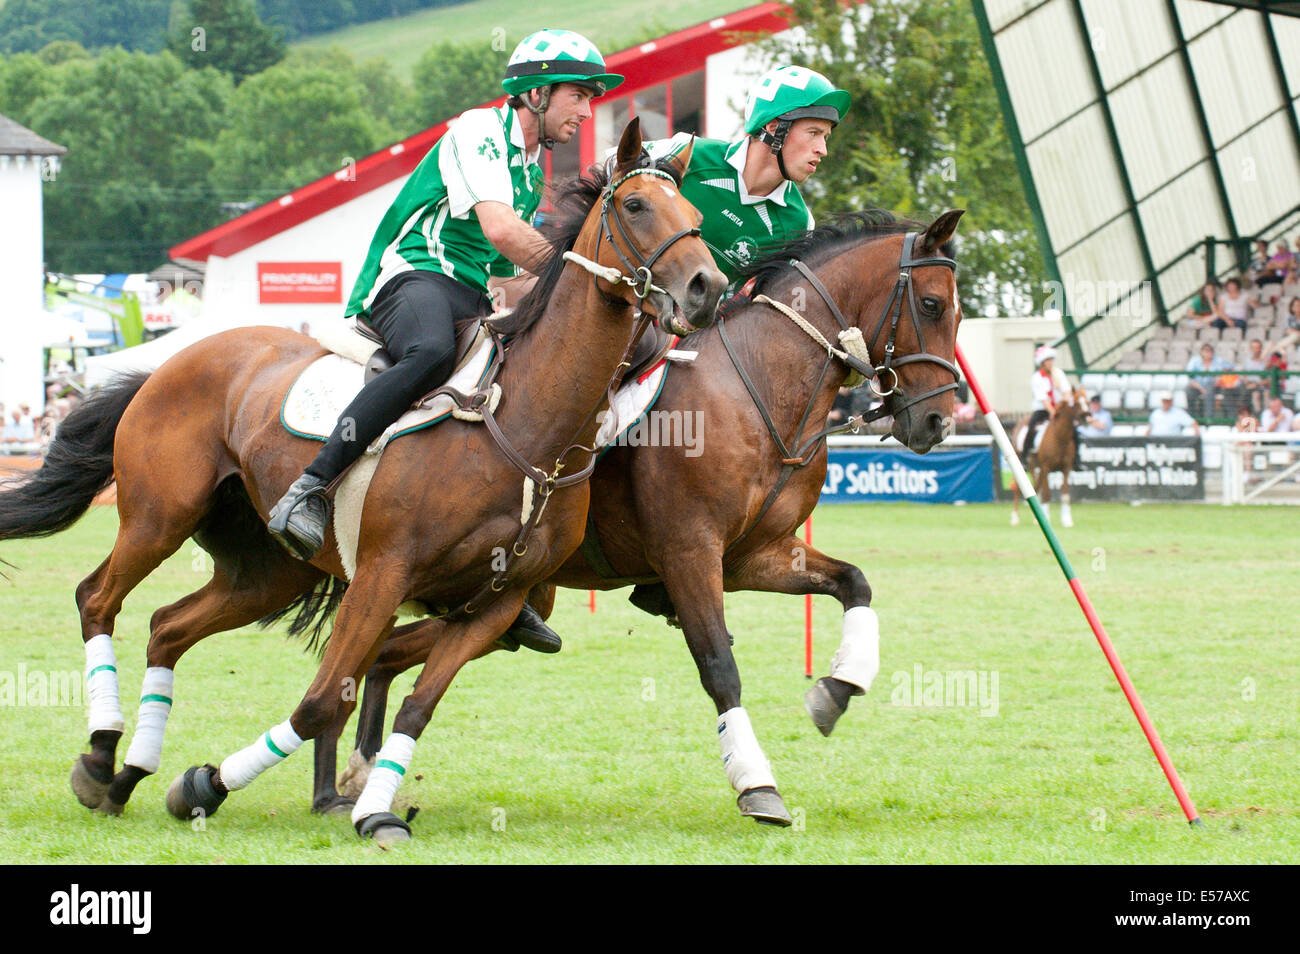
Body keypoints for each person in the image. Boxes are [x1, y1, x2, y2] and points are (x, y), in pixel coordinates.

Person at [267, 29, 625, 654]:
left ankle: (495, 575)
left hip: (470, 295)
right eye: (578, 95)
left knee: (524, 390)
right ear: (536, 94)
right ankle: (310, 488)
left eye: (592, 98)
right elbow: (503, 232)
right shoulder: (478, 130)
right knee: (430, 354)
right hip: (412, 278)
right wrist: (580, 272)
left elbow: (507, 267)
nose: (585, 110)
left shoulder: (530, 164)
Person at [627, 65, 851, 284]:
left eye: (825, 137)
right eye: (814, 133)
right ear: (774, 129)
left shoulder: (799, 224)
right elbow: (611, 178)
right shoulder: (690, 153)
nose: (823, 149)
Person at [1022, 344, 1073, 455]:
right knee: (1031, 426)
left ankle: (1076, 458)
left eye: (1051, 360)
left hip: (1059, 408)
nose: (1050, 362)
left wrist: (1062, 404)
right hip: (1043, 410)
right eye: (1047, 360)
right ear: (1042, 363)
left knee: (1073, 429)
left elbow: (1067, 391)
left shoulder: (1058, 373)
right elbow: (1043, 399)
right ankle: (1025, 455)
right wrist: (1052, 412)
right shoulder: (1037, 377)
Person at [1185, 342, 1233, 418]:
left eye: (1211, 351)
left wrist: (1220, 378)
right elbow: (1190, 378)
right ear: (1201, 352)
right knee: (1188, 389)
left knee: (1209, 388)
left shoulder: (1218, 360)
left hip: (1214, 386)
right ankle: (1191, 417)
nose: (1209, 353)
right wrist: (1201, 388)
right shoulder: (1194, 360)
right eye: (1206, 350)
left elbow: (1231, 368)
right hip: (1198, 386)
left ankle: (1208, 419)